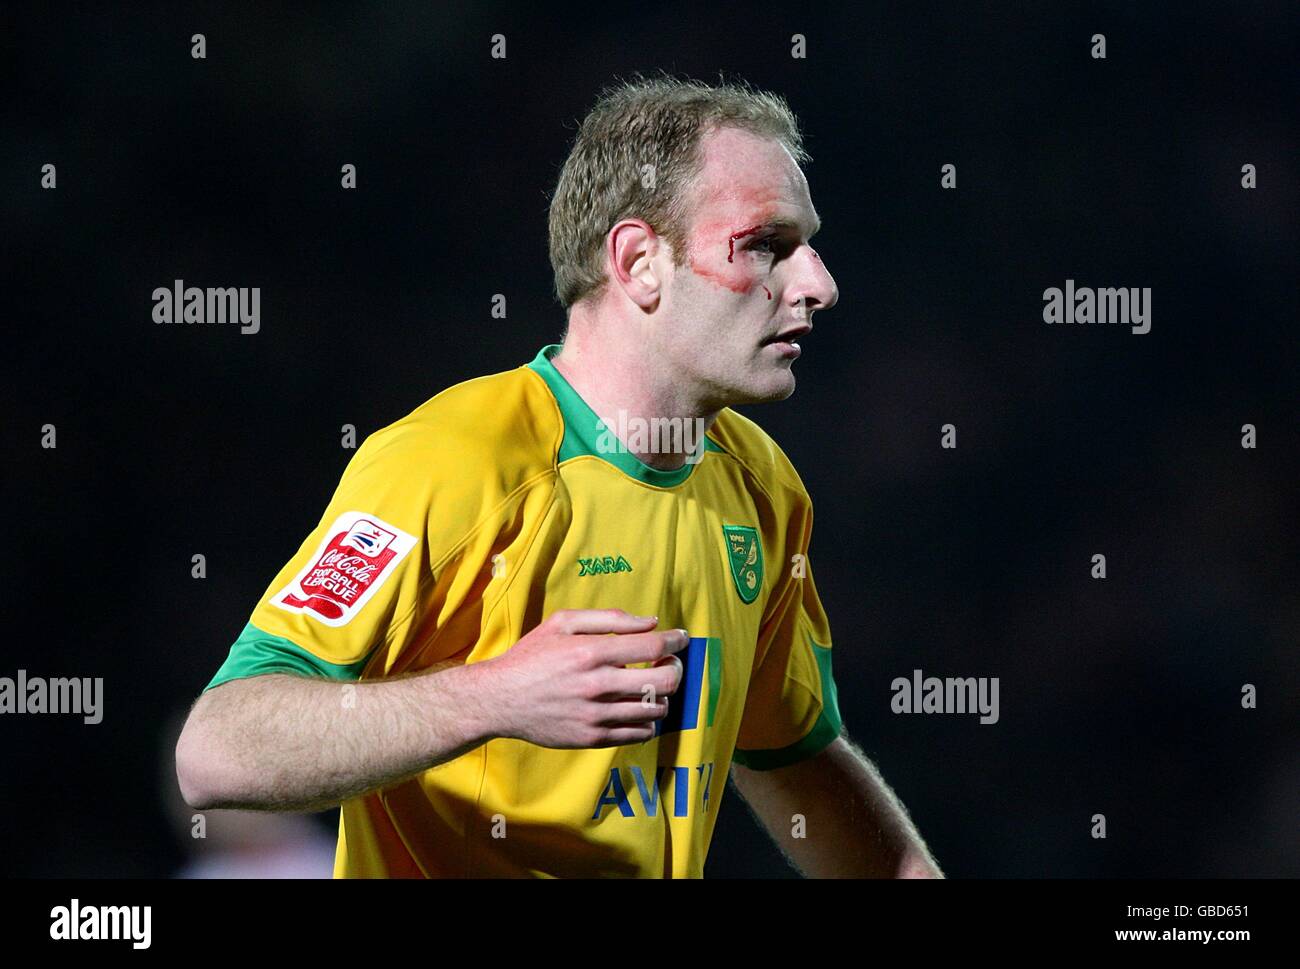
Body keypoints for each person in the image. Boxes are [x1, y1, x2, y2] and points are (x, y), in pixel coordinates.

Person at [175, 73, 943, 879]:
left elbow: (795, 758)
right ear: (640, 261)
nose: (818, 284)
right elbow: (218, 750)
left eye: (808, 246)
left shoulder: (760, 485)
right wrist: (495, 697)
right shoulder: (457, 459)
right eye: (765, 246)